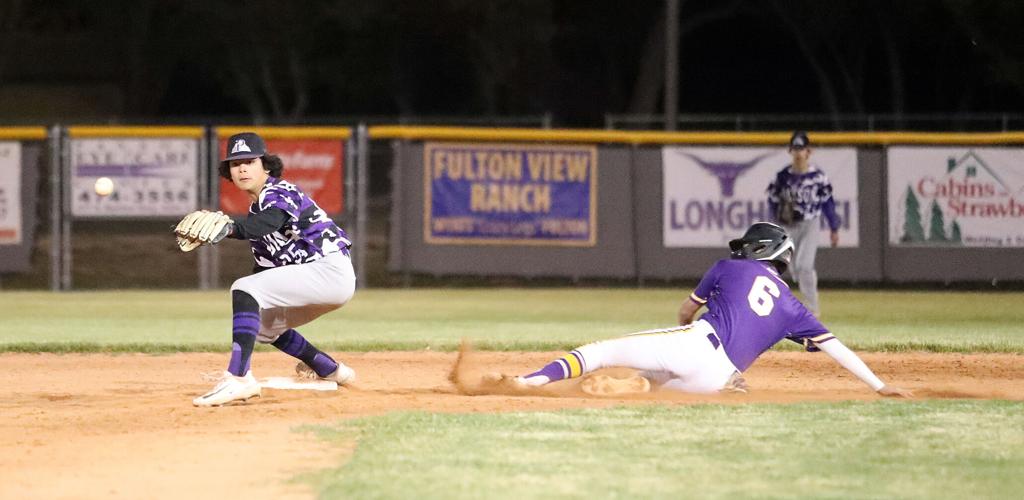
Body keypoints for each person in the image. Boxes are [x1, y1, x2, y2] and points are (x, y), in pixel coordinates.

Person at [498, 222, 911, 398]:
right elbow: (835, 348)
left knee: (599, 352)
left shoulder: (730, 268)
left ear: (761, 251)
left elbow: (684, 314)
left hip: (698, 343)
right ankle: (643, 383)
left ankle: (527, 383)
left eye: (748, 246)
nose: (741, 250)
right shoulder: (792, 306)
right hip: (715, 379)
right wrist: (879, 386)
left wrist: (685, 328)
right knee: (656, 385)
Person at [192, 132, 357, 407]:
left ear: (266, 166)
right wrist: (253, 302)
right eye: (235, 164)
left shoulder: (280, 191)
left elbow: (267, 222)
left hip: (329, 270)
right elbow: (263, 271)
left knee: (243, 287)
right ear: (229, 173)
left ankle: (239, 378)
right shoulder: (258, 208)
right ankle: (331, 369)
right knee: (264, 327)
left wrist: (230, 227)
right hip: (321, 280)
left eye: (250, 161)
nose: (242, 168)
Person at [766, 131, 841, 315]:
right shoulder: (782, 177)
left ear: (809, 152)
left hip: (810, 224)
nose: (798, 153)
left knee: (805, 266)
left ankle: (812, 310)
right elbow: (772, 200)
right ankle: (794, 307)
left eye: (802, 149)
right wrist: (774, 223)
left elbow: (828, 203)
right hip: (787, 226)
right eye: (795, 149)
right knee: (790, 268)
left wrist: (834, 227)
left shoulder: (818, 177)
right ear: (790, 151)